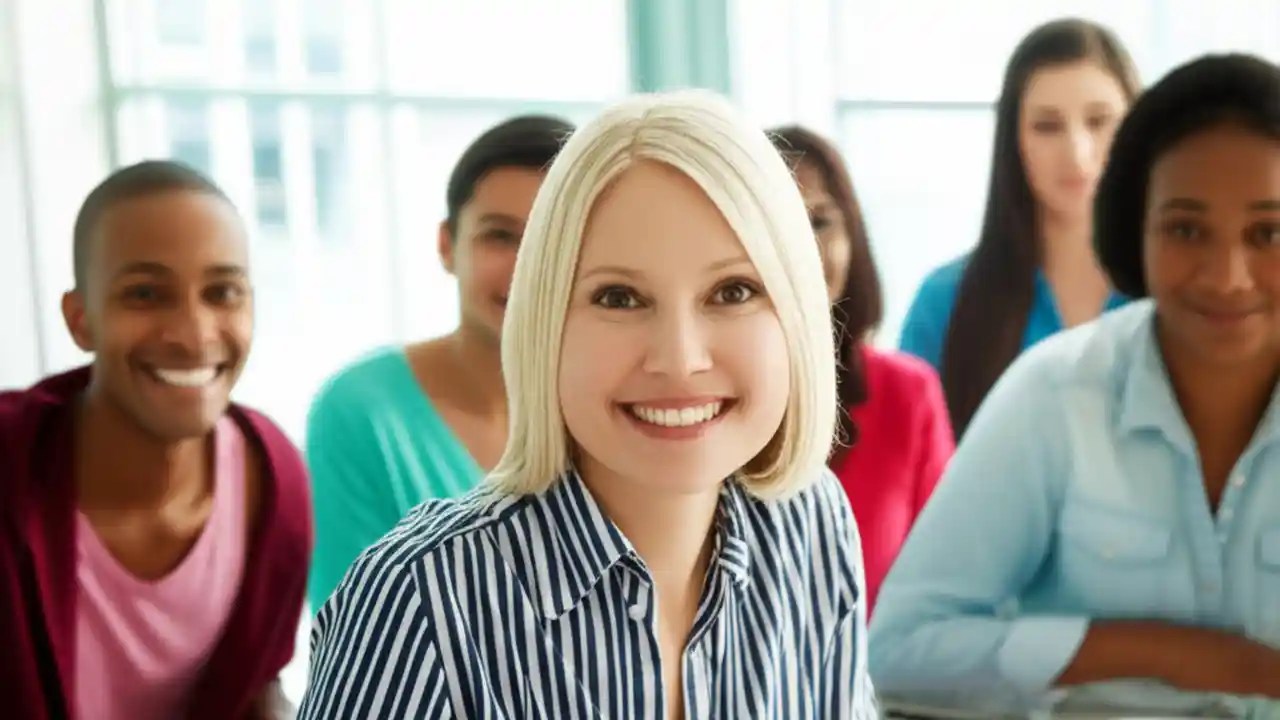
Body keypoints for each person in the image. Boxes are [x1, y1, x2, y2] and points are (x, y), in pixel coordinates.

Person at [300, 91, 877, 719]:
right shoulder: (419, 600)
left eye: (733, 290)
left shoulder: (811, 525)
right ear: (546, 323)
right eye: (619, 297)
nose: (679, 359)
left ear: (796, 313)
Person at [870, 54, 1280, 716]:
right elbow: (898, 654)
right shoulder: (1053, 392)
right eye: (1185, 228)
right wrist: (1172, 653)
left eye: (1270, 232)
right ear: (1132, 233)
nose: (1229, 275)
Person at [0, 161, 312, 719]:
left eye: (223, 292)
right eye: (144, 294)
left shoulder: (275, 480)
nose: (194, 334)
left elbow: (254, 686)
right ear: (81, 320)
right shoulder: (10, 464)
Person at [304, 115, 574, 610]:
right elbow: (350, 635)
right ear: (447, 245)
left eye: (552, 241)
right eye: (499, 236)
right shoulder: (362, 412)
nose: (527, 268)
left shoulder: (618, 406)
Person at [899, 18, 1139, 437]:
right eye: (1047, 126)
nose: (1077, 152)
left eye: (1100, 121)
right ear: (1014, 140)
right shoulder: (944, 302)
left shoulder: (1177, 295)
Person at [770, 125, 954, 617]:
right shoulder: (701, 397)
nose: (802, 247)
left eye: (819, 221)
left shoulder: (908, 393)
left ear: (852, 234)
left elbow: (947, 589)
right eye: (777, 223)